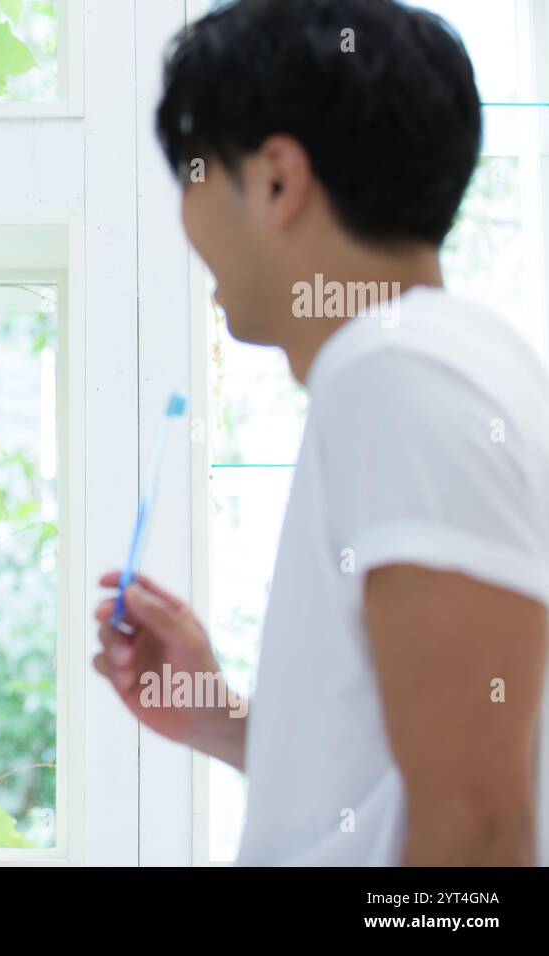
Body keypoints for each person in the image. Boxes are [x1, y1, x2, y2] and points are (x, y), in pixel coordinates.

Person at [94, 0, 549, 865]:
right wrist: (220, 719)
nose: (185, 219)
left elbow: (481, 834)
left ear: (275, 180)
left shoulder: (401, 374)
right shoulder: (435, 363)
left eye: (193, 173)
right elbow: (408, 779)